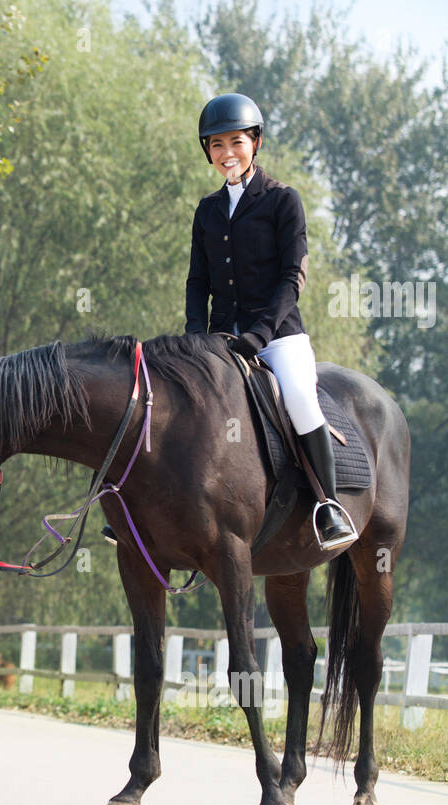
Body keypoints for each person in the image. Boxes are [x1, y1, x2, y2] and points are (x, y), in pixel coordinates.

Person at [183, 92, 356, 550]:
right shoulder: (207, 210)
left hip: (279, 336)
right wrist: (195, 337)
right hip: (222, 339)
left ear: (255, 143)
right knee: (179, 402)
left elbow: (292, 276)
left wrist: (259, 333)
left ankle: (329, 506)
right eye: (216, 145)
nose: (226, 154)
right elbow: (198, 281)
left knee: (299, 398)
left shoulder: (282, 201)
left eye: (235, 142)